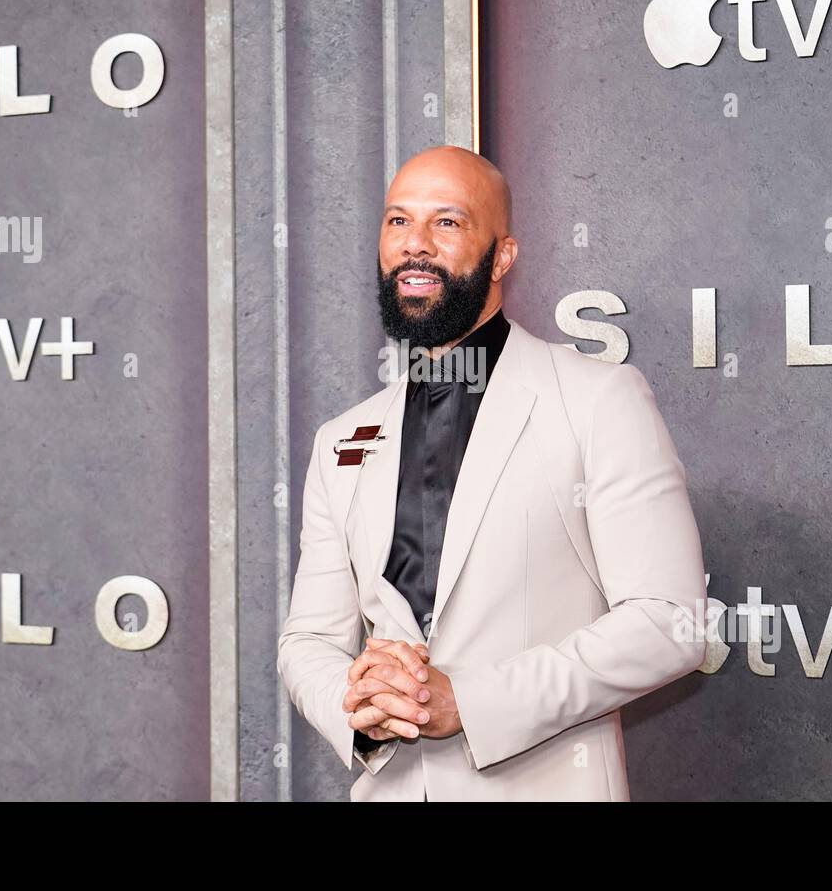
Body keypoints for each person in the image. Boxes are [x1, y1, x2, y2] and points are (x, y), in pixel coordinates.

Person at [276, 144, 707, 801]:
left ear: (502, 254)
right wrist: (359, 704)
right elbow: (308, 639)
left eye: (445, 223)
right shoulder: (341, 440)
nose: (414, 245)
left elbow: (670, 621)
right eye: (397, 222)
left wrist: (473, 702)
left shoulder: (598, 399)